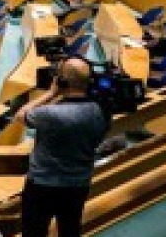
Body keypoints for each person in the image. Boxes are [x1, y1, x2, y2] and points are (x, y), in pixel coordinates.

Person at [17, 57, 109, 237]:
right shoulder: (100, 111)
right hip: (78, 184)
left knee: (33, 233)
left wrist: (50, 94)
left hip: (43, 185)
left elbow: (21, 115)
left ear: (60, 81)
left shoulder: (50, 114)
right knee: (70, 230)